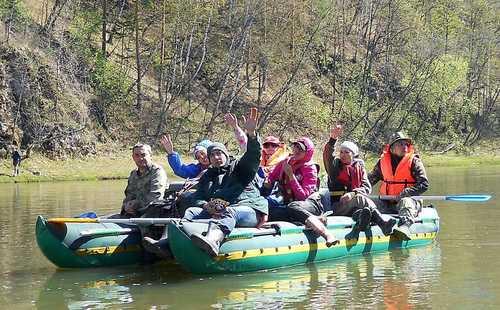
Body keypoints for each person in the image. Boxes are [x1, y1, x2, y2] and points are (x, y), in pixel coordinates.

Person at [154, 108, 268, 257]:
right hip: (221, 210)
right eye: (212, 155)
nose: (216, 157)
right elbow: (198, 196)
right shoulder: (208, 175)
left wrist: (252, 135)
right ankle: (168, 243)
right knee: (191, 211)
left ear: (226, 154)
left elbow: (253, 155)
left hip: (249, 210)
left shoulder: (241, 167)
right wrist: (205, 205)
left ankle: (213, 240)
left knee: (229, 211)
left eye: (219, 153)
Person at [263, 137, 339, 247]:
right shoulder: (286, 162)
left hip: (310, 204)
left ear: (307, 152)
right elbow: (272, 176)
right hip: (290, 205)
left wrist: (291, 176)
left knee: (293, 206)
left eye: (301, 149)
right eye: (295, 147)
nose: (297, 151)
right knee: (270, 209)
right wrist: (268, 181)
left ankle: (327, 234)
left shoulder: (310, 168)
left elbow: (303, 196)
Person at [322, 124, 396, 235]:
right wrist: (333, 140)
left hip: (352, 207)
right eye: (341, 152)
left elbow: (367, 188)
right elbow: (328, 156)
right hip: (338, 206)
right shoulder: (335, 168)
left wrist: (353, 193)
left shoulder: (359, 168)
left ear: (354, 155)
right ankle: (382, 223)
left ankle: (362, 220)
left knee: (361, 210)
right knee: (360, 199)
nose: (343, 155)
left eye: (347, 152)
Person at [368, 131, 429, 240]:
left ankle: (405, 226)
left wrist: (406, 192)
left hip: (410, 201)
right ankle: (368, 222)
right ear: (392, 148)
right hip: (387, 202)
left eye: (406, 144)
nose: (404, 146)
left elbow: (424, 184)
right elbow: (369, 181)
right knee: (369, 203)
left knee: (405, 201)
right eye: (400, 144)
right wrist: (358, 190)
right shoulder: (382, 162)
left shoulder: (414, 161)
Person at [121, 143, 169, 218]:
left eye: (143, 155)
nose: (140, 158)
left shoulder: (157, 172)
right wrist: (126, 205)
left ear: (150, 156)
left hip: (154, 213)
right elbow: (129, 195)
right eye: (137, 155)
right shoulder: (133, 174)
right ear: (133, 157)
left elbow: (156, 197)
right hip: (136, 212)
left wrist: (136, 204)